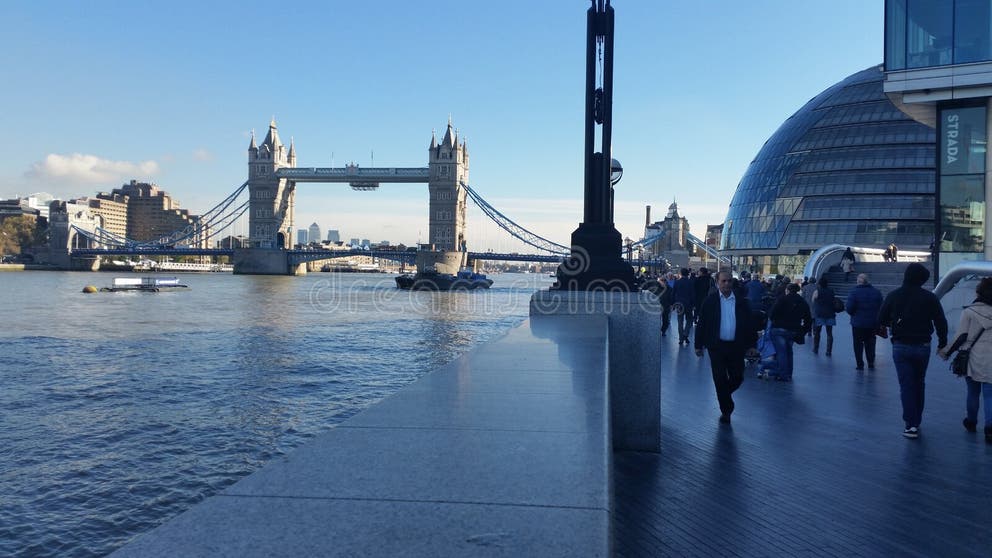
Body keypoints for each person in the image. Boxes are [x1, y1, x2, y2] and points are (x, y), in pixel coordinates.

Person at [878, 263, 948, 439]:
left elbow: (881, 318)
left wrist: (892, 323)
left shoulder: (894, 296)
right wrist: (942, 342)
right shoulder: (929, 298)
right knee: (919, 382)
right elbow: (940, 321)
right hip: (923, 345)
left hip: (900, 345)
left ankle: (911, 424)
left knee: (906, 385)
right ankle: (917, 419)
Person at [695, 270, 760, 423]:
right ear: (717, 282)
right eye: (724, 281)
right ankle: (726, 410)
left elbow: (750, 324)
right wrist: (698, 345)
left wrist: (752, 345)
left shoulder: (741, 302)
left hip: (736, 346)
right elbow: (702, 323)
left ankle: (724, 395)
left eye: (729, 281)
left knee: (738, 377)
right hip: (716, 346)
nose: (727, 284)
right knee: (719, 378)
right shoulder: (710, 301)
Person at [939, 277, 992, 443]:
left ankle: (971, 421)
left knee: (973, 392)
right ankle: (990, 428)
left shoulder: (969, 311)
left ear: (978, 293)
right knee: (990, 395)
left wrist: (946, 352)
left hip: (973, 357)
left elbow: (961, 336)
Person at [765, 282, 812, 381]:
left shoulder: (782, 299)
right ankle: (789, 373)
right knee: (789, 351)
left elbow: (772, 313)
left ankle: (783, 374)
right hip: (793, 330)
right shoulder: (802, 301)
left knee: (781, 352)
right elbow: (808, 319)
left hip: (779, 329)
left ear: (788, 290)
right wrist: (803, 331)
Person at [846, 273, 883, 371]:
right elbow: (881, 307)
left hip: (858, 323)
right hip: (872, 323)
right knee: (870, 342)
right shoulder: (877, 292)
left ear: (858, 281)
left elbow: (849, 308)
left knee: (857, 344)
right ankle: (870, 362)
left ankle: (860, 364)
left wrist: (854, 314)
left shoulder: (854, 292)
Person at [810, 276, 837, 356]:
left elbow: (813, 300)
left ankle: (816, 348)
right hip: (830, 314)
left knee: (817, 332)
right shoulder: (831, 291)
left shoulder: (817, 291)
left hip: (819, 314)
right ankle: (829, 351)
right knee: (829, 333)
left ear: (819, 284)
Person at [672, 267, 696, 346]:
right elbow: (693, 294)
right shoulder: (690, 282)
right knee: (690, 319)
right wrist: (693, 304)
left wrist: (673, 304)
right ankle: (686, 334)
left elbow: (673, 293)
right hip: (688, 304)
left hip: (679, 304)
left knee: (680, 321)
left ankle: (681, 338)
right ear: (688, 274)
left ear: (681, 274)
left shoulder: (677, 282)